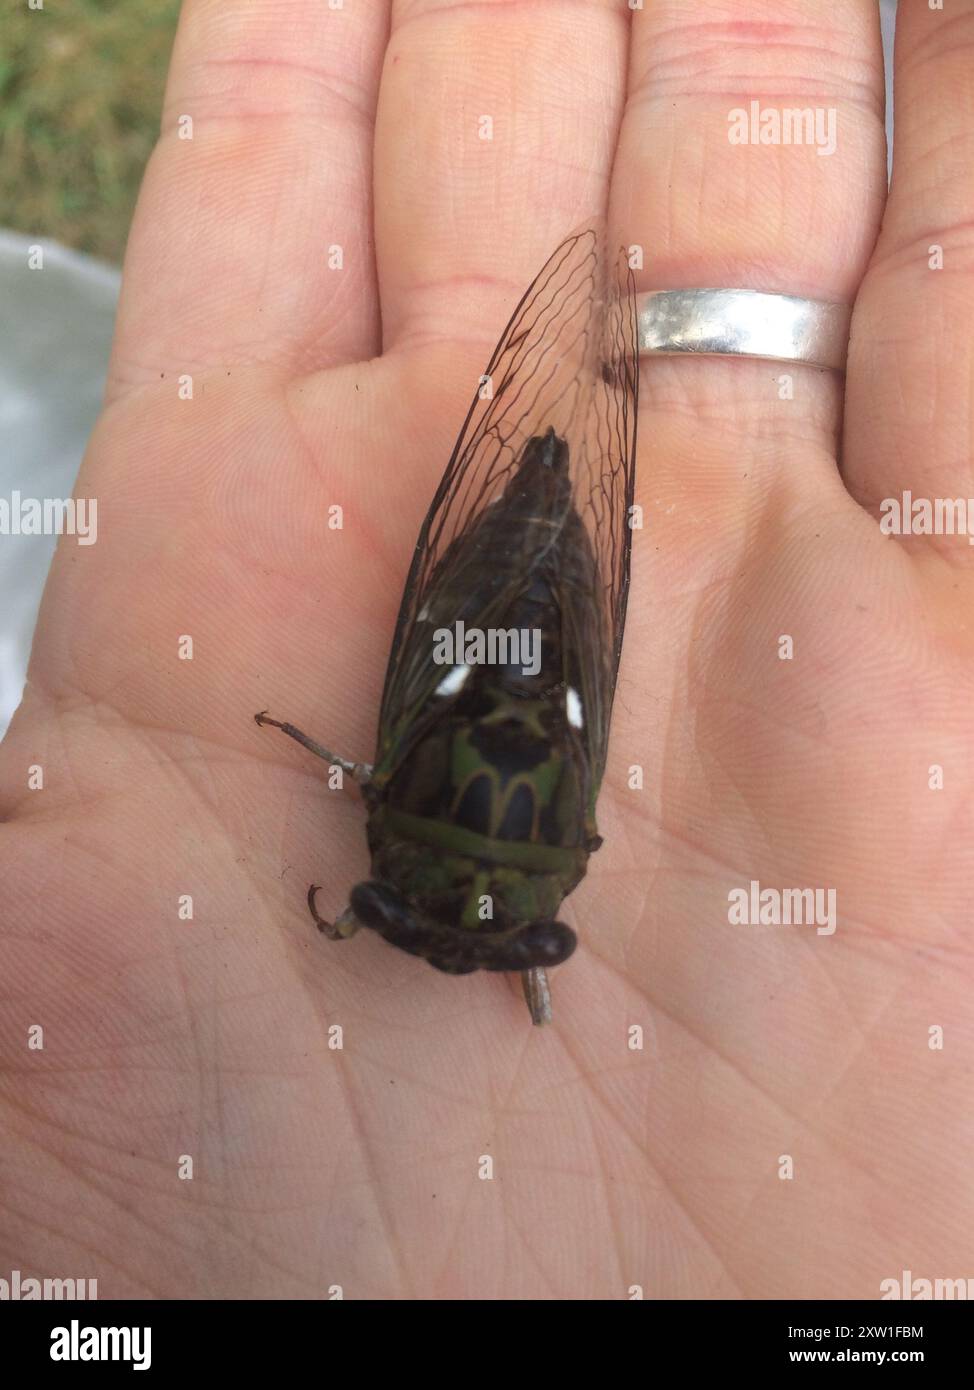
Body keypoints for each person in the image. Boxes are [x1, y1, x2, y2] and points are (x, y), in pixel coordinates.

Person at [0, 0, 970, 1299]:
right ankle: (554, 476)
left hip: (529, 625)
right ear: (559, 873)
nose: (465, 937)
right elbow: (384, 785)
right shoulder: (394, 813)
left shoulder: (505, 846)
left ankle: (552, 471)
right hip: (540, 609)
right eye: (512, 935)